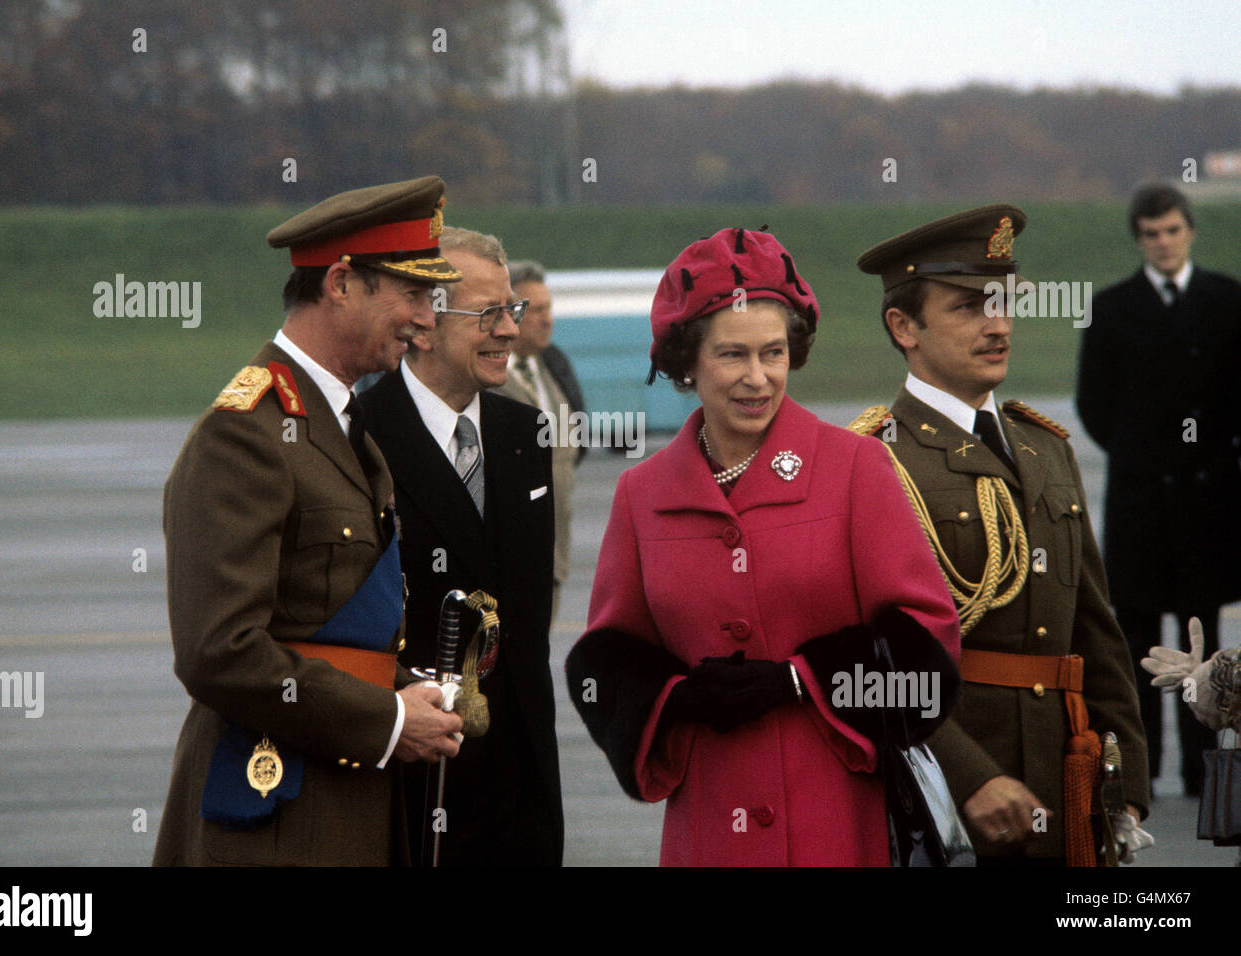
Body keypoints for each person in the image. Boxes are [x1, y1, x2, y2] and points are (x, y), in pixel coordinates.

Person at [565, 227, 962, 866]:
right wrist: (680, 697)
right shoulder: (642, 493)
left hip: (839, 824)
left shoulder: (856, 468)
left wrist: (800, 681)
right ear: (686, 362)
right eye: (732, 356)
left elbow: (926, 652)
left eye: (773, 353)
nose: (758, 378)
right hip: (710, 830)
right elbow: (604, 666)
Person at [153, 177, 465, 866]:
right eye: (412, 295)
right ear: (343, 283)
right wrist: (384, 721)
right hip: (276, 815)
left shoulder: (343, 427)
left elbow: (333, 628)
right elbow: (219, 649)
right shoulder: (246, 435)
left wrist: (404, 691)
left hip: (343, 800)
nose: (426, 321)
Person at [853, 204, 1150, 865]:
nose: (998, 326)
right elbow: (871, 654)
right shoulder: (873, 461)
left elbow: (1095, 627)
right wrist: (970, 776)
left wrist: (1125, 777)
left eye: (1003, 303)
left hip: (1068, 782)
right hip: (957, 803)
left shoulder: (1045, 448)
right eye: (967, 308)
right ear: (904, 326)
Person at [359, 227, 563, 866]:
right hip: (411, 783)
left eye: (514, 310)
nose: (509, 330)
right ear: (422, 326)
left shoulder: (524, 431)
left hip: (519, 786)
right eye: (489, 314)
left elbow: (527, 629)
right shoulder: (361, 439)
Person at [1077, 183, 1241, 798]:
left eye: (1172, 230)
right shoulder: (1112, 307)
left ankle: (1208, 771)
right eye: (1151, 233)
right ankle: (1141, 771)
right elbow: (1092, 402)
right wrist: (1140, 456)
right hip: (1141, 496)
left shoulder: (1227, 299)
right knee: (1139, 640)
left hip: (1208, 493)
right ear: (1138, 239)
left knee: (1205, 634)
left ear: (1189, 230)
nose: (1163, 242)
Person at [492, 260, 586, 619]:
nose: (548, 319)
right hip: (506, 559)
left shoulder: (554, 365)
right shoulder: (486, 377)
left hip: (554, 555)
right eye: (538, 310)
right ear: (510, 314)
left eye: (550, 309)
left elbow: (573, 445)